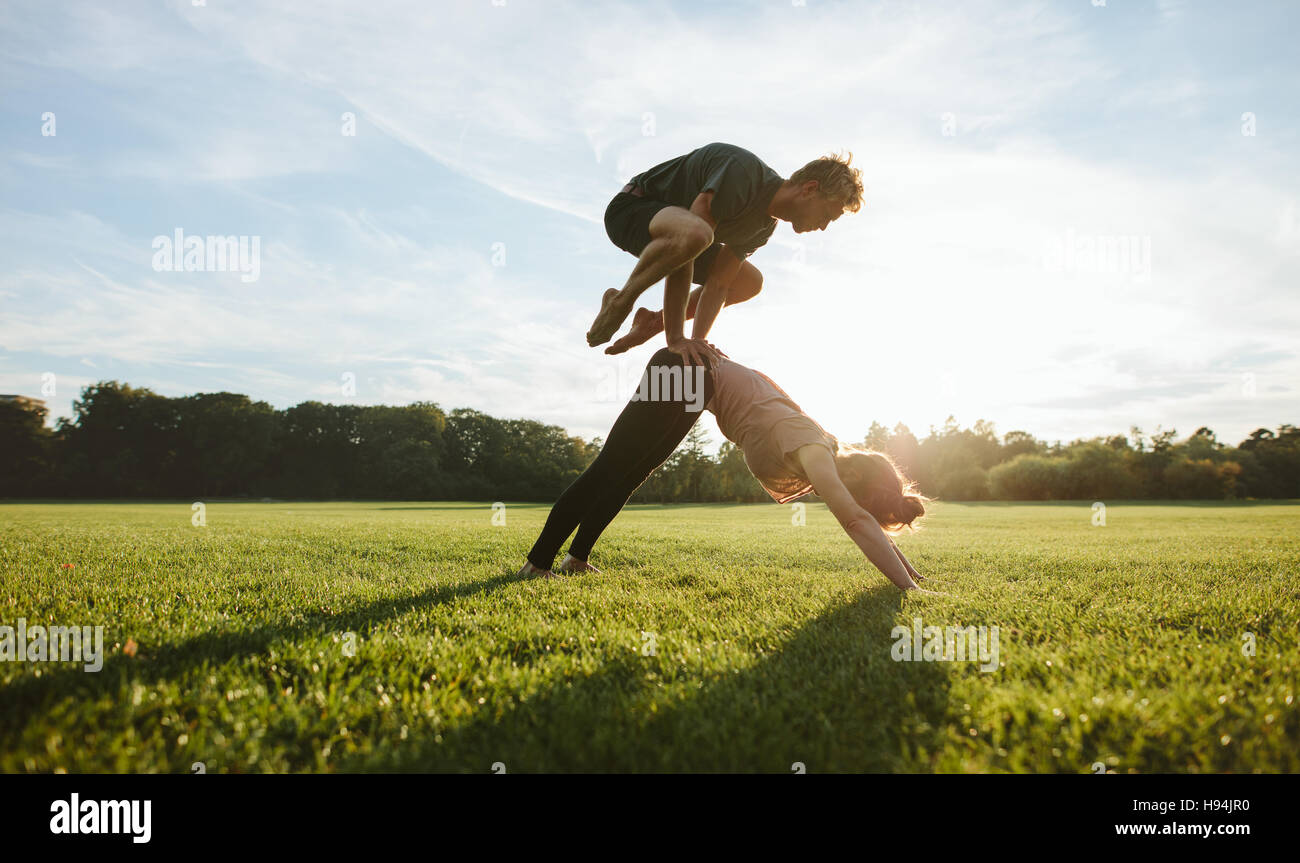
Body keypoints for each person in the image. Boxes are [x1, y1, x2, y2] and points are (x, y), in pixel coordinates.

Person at [518, 347, 928, 591]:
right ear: (855, 481)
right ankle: (537, 563)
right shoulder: (814, 449)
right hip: (685, 372)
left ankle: (576, 559)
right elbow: (857, 521)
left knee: (629, 474)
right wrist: (909, 589)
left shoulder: (820, 447)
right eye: (857, 498)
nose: (844, 503)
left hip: (695, 380)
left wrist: (915, 575)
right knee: (611, 467)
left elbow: (863, 519)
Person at [587, 143, 864, 368]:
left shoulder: (763, 227)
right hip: (631, 211)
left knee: (748, 281)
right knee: (697, 235)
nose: (824, 225)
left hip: (679, 239)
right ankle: (621, 301)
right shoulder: (742, 173)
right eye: (827, 214)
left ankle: (651, 323)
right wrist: (676, 339)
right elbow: (688, 248)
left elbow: (718, 284)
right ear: (810, 189)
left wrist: (697, 341)